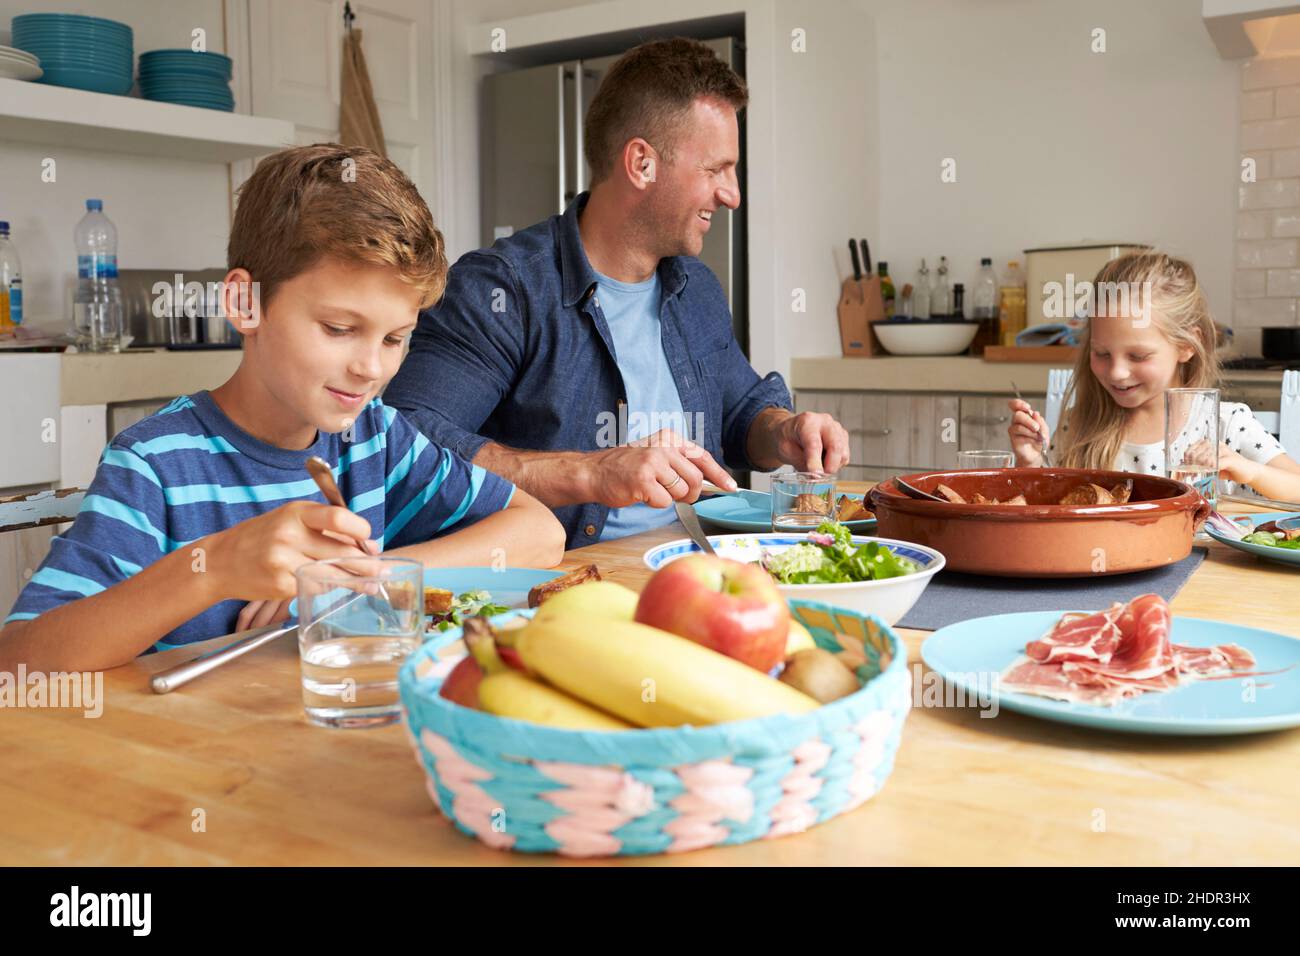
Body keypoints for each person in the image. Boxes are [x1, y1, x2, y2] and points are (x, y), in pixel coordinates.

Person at [0, 144, 565, 673]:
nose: (371, 367)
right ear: (245, 303)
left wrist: (362, 579)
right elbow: (19, 663)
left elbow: (540, 532)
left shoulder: (377, 439)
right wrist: (212, 568)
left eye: (395, 338)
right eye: (340, 329)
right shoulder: (155, 464)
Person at [385, 37, 849, 546]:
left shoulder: (695, 288)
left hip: (695, 558)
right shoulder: (502, 289)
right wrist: (590, 472)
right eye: (716, 169)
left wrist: (783, 430)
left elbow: (739, 413)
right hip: (568, 580)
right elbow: (409, 440)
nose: (732, 195)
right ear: (641, 164)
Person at [1008, 250, 1300, 499]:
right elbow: (1049, 505)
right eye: (1102, 353)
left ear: (1186, 346)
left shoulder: (1225, 423)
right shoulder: (1080, 424)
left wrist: (1250, 470)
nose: (1117, 372)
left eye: (1138, 356)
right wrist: (1032, 462)